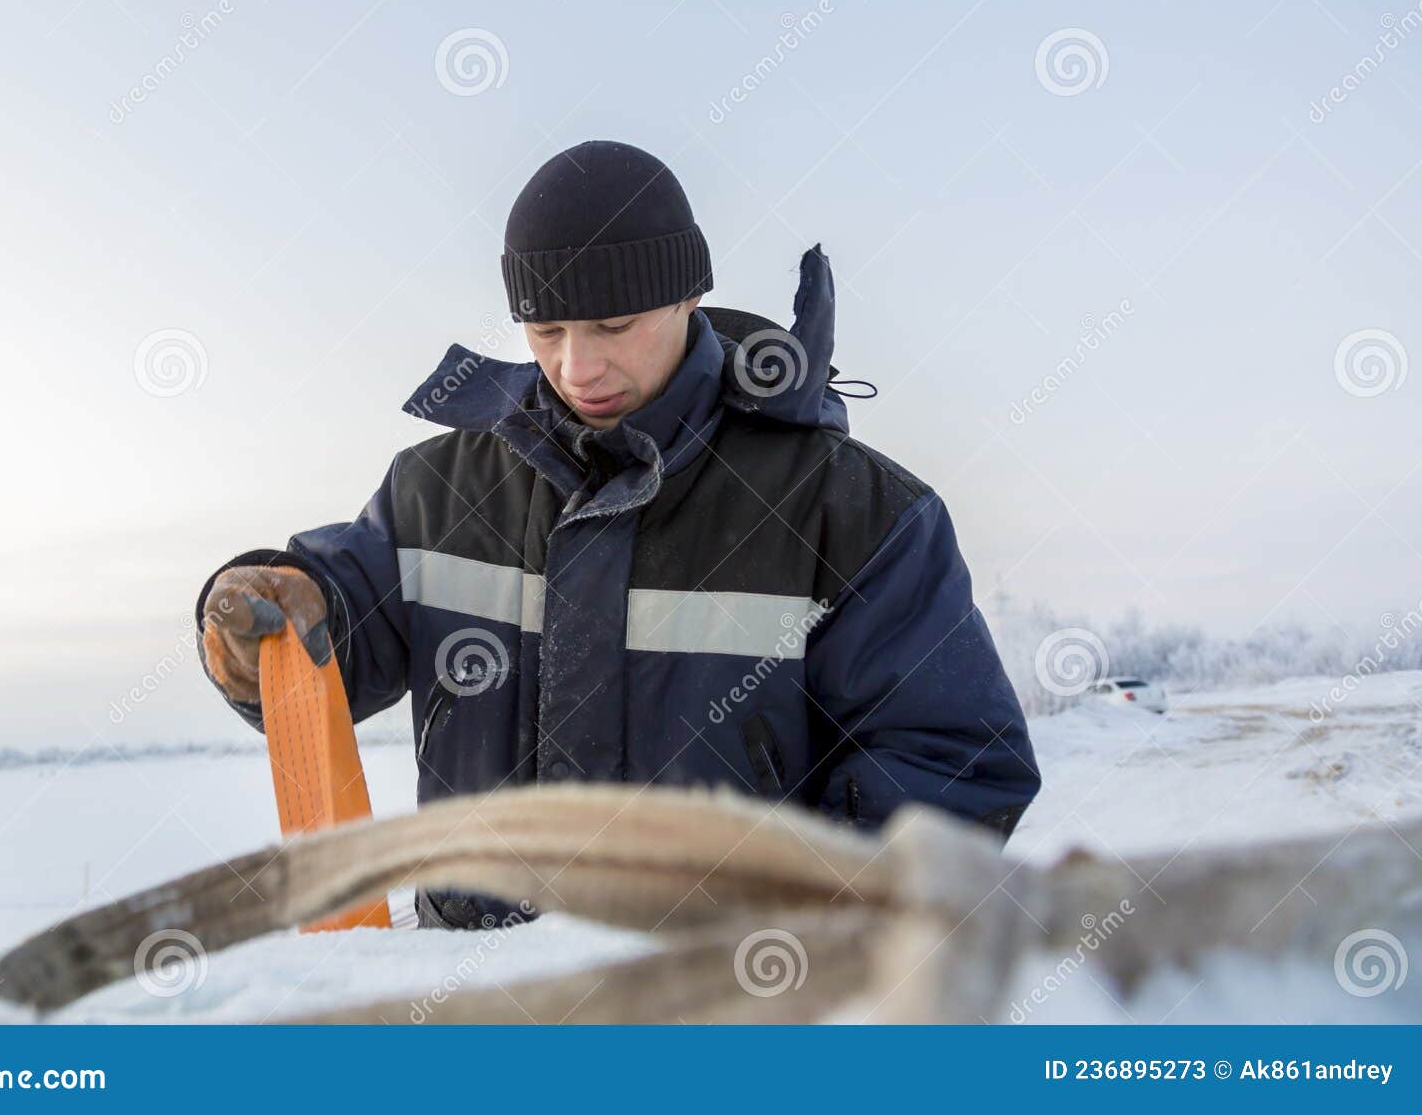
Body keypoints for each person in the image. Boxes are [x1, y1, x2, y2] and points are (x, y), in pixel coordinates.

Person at [197, 139, 1041, 929]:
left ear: (688, 295)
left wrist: (803, 920)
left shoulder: (850, 508)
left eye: (611, 327)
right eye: (547, 330)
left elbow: (955, 759)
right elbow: (334, 631)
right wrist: (267, 608)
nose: (576, 368)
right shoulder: (437, 490)